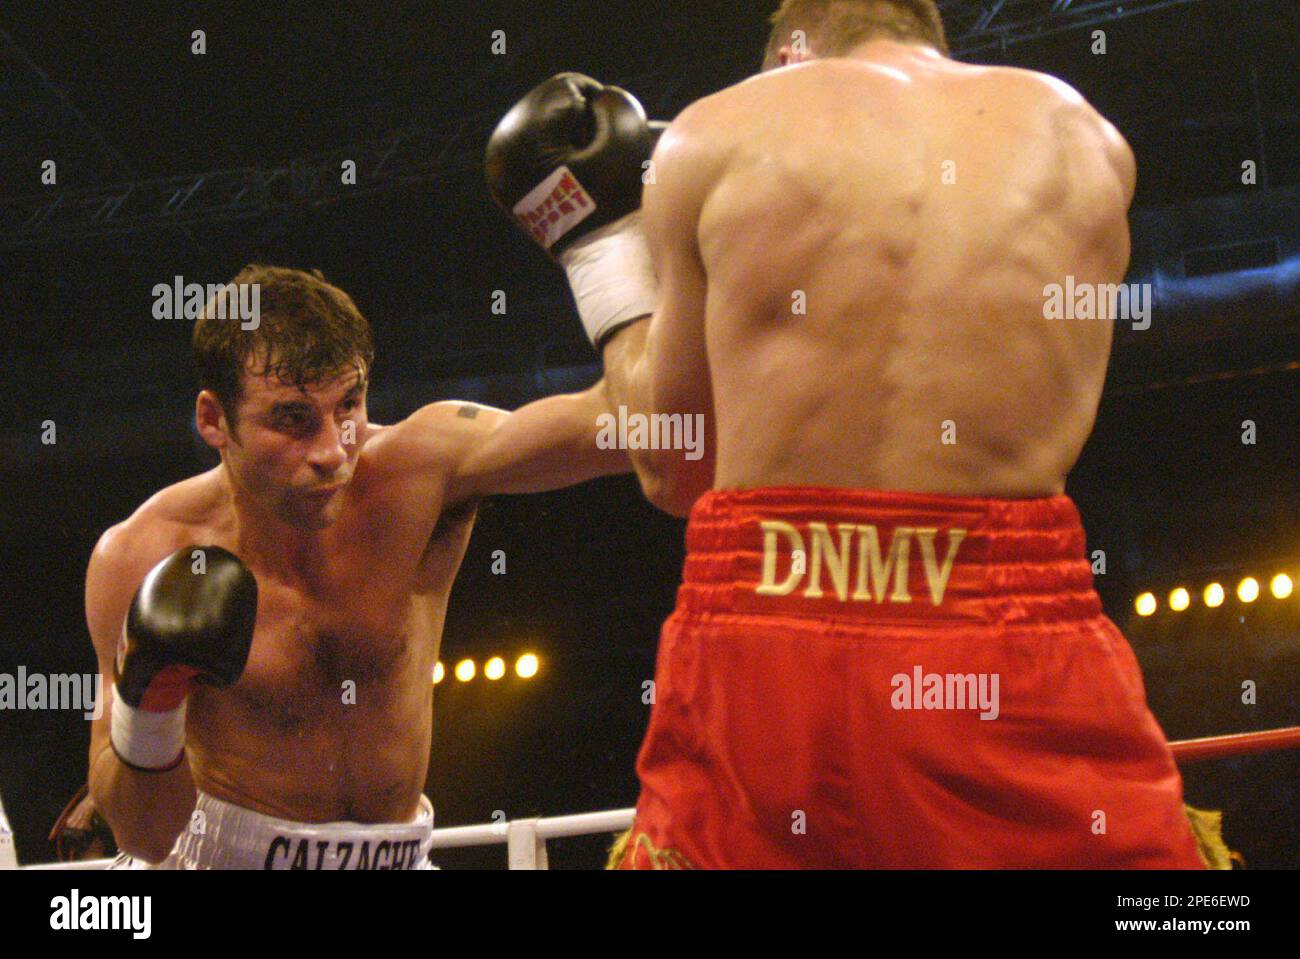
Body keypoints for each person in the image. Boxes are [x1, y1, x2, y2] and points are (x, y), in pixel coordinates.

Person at [486, 0, 1205, 867]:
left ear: (791, 53)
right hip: (1008, 622)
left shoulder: (718, 132)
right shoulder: (1084, 135)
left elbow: (676, 469)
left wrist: (595, 248)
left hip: (769, 624)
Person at [87, 264, 628, 869]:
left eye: (349, 405)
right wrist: (151, 702)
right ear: (214, 419)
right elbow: (145, 834)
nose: (330, 451)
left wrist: (609, 256)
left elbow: (636, 431)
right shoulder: (140, 554)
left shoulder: (425, 471)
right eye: (291, 419)